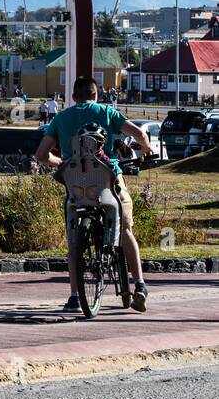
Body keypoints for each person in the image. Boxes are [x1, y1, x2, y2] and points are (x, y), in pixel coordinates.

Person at [34, 76, 156, 314]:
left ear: (73, 97)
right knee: (126, 229)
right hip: (107, 181)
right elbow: (138, 132)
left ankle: (74, 295)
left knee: (73, 239)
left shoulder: (60, 118)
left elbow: (40, 155)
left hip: (77, 188)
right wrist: (146, 148)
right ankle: (139, 285)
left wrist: (60, 161)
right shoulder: (106, 112)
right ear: (95, 95)